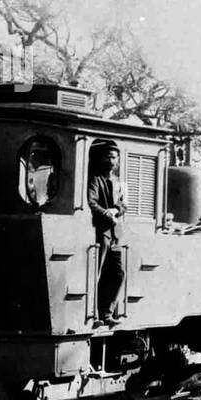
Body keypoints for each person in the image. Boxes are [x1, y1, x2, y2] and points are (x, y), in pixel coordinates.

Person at [87, 140, 127, 327]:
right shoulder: (96, 180)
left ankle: (107, 313)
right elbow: (91, 202)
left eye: (114, 157)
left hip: (115, 234)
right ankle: (94, 314)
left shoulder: (119, 182)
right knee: (97, 273)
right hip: (101, 231)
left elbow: (124, 204)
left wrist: (116, 211)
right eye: (108, 157)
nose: (111, 161)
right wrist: (107, 214)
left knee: (118, 274)